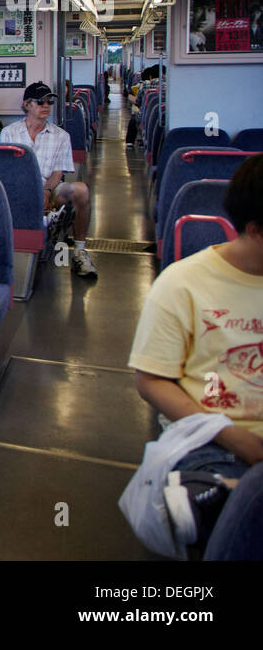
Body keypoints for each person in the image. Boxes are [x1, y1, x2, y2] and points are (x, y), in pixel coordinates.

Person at [129, 155, 263, 556]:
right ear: (255, 229)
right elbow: (151, 380)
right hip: (211, 437)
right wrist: (237, 438)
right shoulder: (184, 283)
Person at [0, 81, 98, 277]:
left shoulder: (61, 136)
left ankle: (79, 251)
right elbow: (8, 170)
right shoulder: (9, 133)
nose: (46, 106)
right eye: (40, 102)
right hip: (19, 190)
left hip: (50, 190)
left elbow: (57, 173)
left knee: (81, 190)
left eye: (49, 102)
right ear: (27, 105)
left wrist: (45, 191)